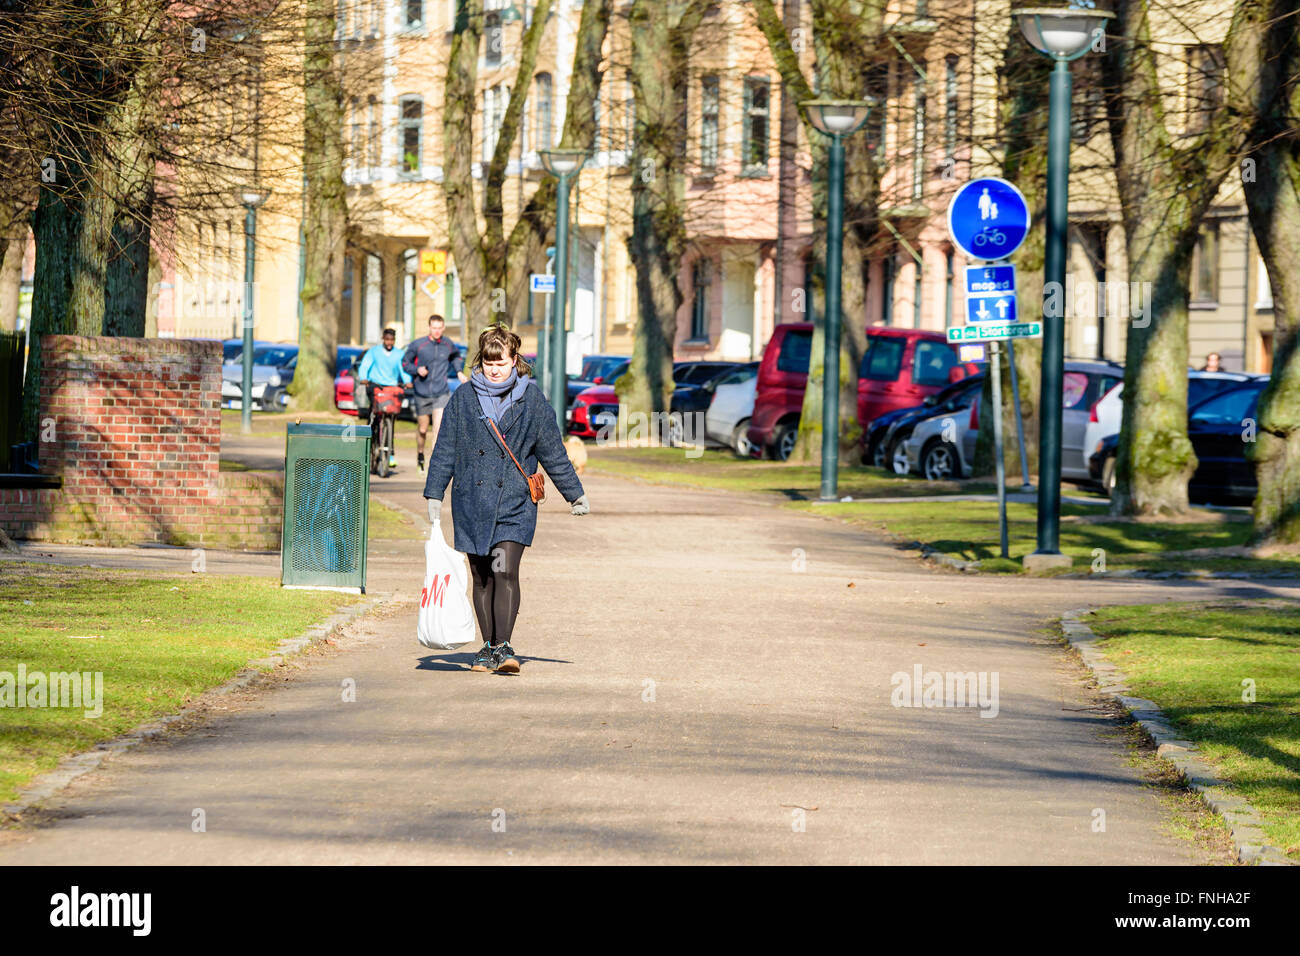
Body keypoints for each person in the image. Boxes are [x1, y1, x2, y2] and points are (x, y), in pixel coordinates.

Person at [423, 323, 589, 675]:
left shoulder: (532, 399)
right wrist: (434, 492)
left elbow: (552, 451)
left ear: (515, 360)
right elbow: (445, 449)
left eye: (501, 362)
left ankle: (506, 646)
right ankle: (488, 648)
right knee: (482, 577)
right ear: (480, 361)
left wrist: (574, 494)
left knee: (505, 570)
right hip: (470, 500)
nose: (495, 369)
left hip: (515, 502)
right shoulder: (463, 398)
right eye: (488, 362)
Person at [402, 314, 467, 472]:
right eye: (434, 328)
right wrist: (416, 370)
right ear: (429, 327)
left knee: (437, 429)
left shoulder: (448, 344)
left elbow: (456, 357)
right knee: (423, 429)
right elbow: (405, 363)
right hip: (422, 392)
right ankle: (420, 454)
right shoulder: (419, 345)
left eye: (439, 328)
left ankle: (434, 465)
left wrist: (459, 371)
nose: (437, 331)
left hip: (441, 392)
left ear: (443, 328)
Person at [356, 327, 413, 469]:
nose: (389, 342)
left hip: (391, 388)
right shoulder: (374, 352)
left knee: (391, 418)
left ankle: (390, 452)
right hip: (375, 386)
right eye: (387, 339)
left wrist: (407, 381)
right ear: (383, 339)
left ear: (394, 340)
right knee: (373, 414)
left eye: (392, 340)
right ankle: (369, 444)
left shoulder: (399, 354)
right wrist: (363, 378)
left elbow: (403, 370)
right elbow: (365, 366)